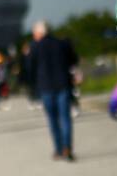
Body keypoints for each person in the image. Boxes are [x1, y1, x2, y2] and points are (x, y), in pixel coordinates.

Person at [24, 20, 79, 161]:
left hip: (46, 87)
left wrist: (32, 87)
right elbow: (73, 60)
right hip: (63, 85)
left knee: (53, 119)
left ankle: (59, 149)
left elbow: (30, 68)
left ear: (38, 33)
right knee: (65, 118)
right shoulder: (62, 44)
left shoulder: (34, 47)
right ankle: (67, 147)